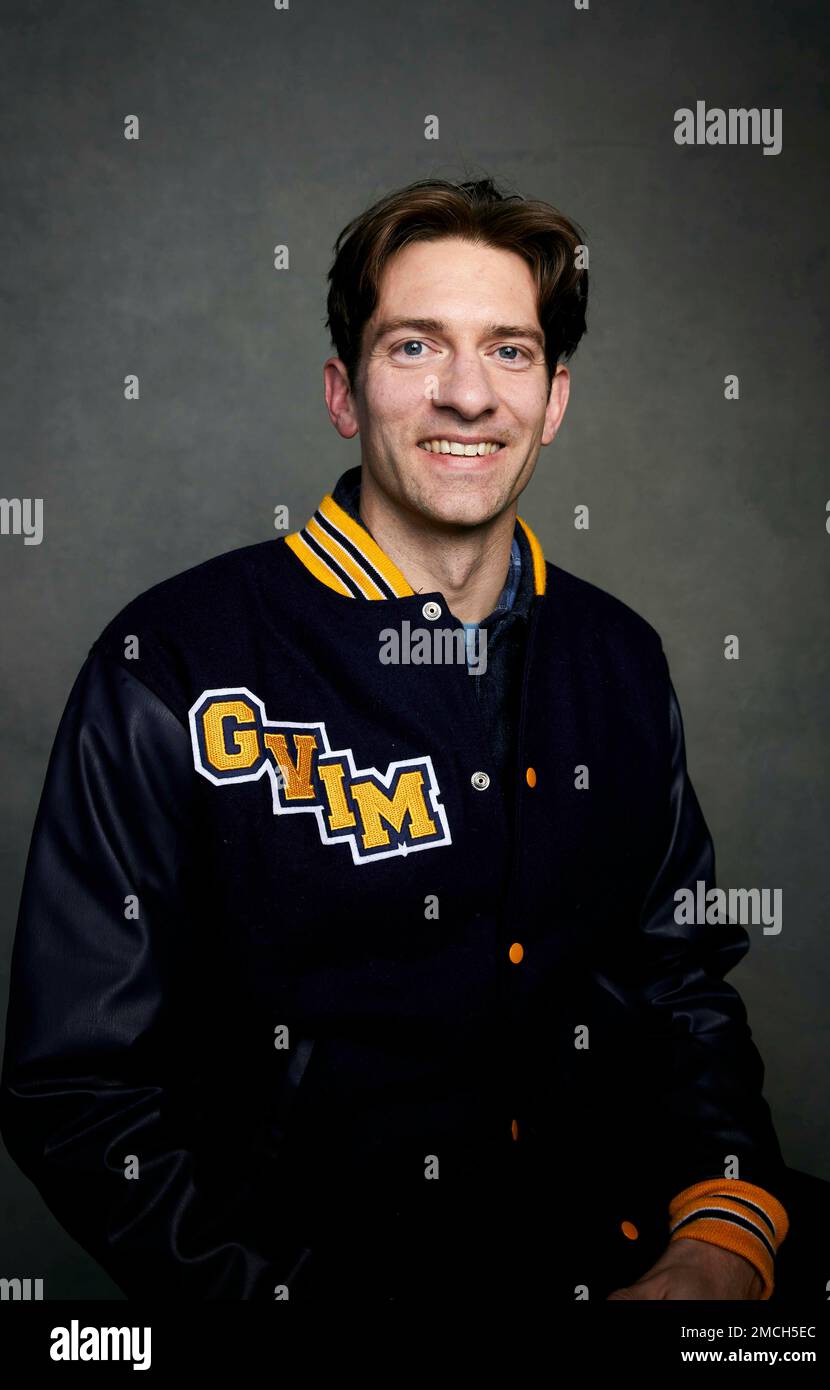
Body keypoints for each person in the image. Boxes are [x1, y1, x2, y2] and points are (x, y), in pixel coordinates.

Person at [0, 177, 789, 1303]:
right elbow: (77, 1088)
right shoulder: (171, 660)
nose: (466, 395)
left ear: (553, 398)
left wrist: (719, 1237)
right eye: (415, 345)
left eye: (509, 352)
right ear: (343, 390)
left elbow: (679, 982)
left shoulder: (618, 655)